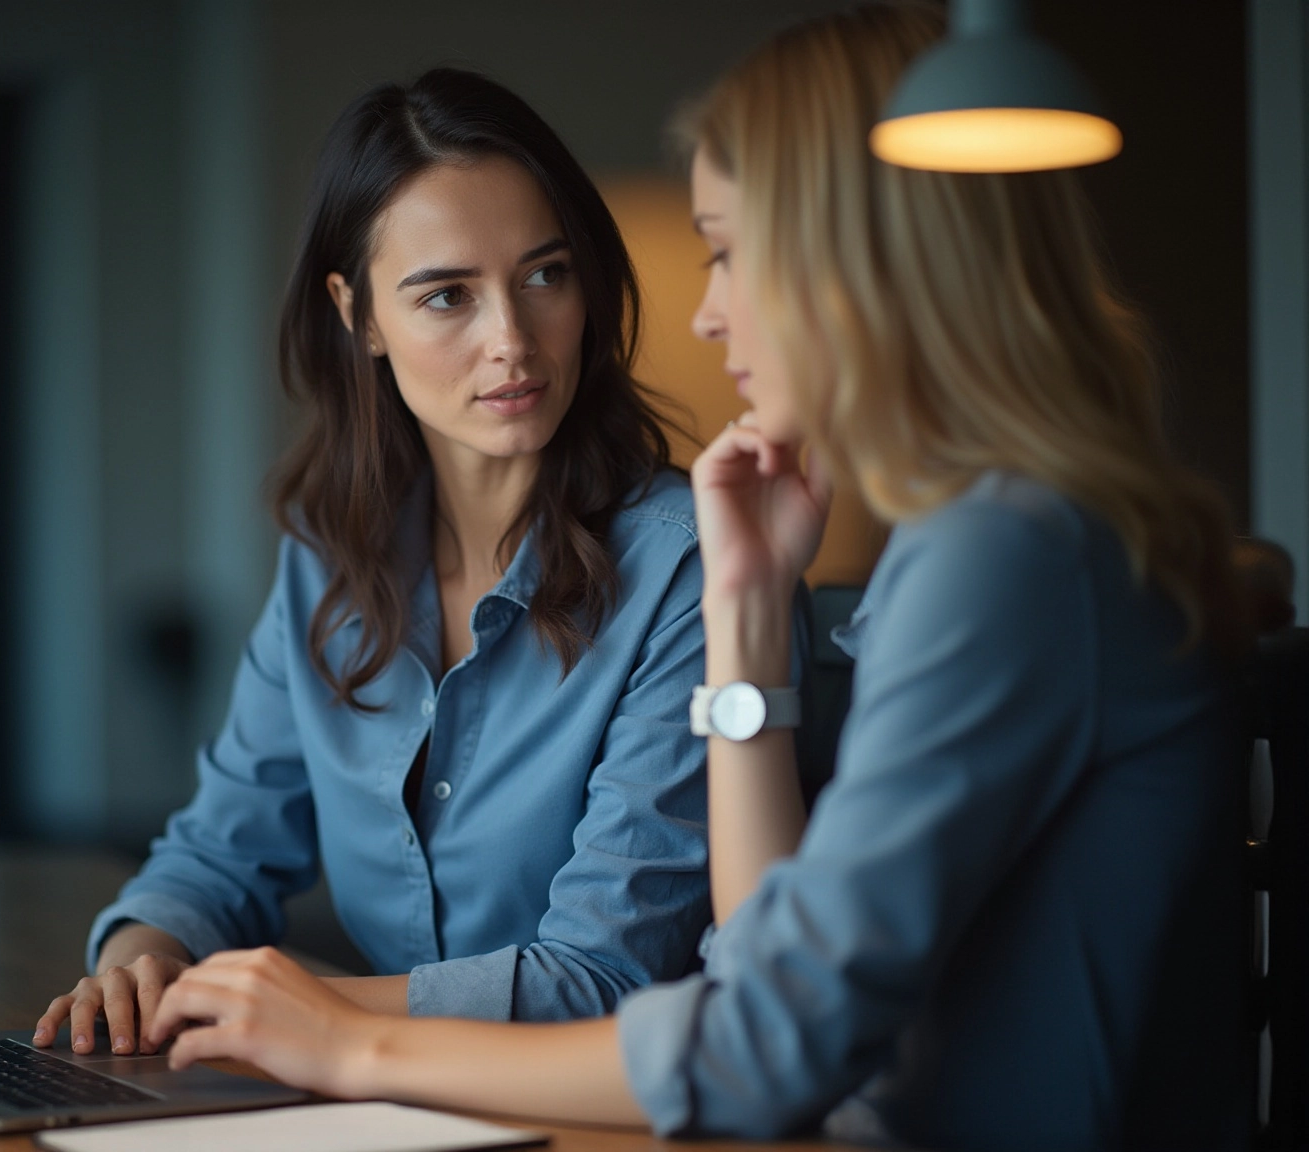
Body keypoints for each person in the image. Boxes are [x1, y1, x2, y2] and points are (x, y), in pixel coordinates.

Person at [144, 6, 1249, 1150]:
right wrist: (748, 612)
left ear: (858, 258)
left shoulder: (1007, 555)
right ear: (355, 315)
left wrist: (346, 1043)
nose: (708, 311)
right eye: (445, 294)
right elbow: (765, 967)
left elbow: (763, 1045)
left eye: (725, 250)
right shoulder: (969, 540)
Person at [34, 68, 766, 1057]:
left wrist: (305, 1012)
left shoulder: (686, 568)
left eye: (545, 274)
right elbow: (219, 852)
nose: (512, 340)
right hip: (386, 1100)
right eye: (447, 296)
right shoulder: (327, 559)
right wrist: (137, 962)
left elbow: (606, 974)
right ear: (360, 314)